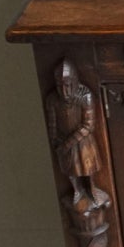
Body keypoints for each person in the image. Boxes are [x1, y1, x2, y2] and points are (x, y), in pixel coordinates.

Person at [46, 59, 104, 210]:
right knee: (69, 168)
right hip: (63, 137)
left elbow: (88, 124)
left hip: (83, 140)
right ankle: (77, 190)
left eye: (67, 85)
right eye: (60, 86)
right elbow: (52, 124)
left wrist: (68, 144)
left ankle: (91, 189)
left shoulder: (85, 96)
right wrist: (55, 141)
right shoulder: (52, 100)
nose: (64, 91)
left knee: (87, 166)